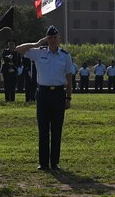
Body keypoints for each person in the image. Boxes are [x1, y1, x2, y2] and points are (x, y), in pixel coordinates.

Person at [16, 25, 75, 170]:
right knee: (43, 130)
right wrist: (37, 43)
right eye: (50, 38)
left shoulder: (65, 55)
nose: (52, 40)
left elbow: (69, 77)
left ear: (59, 38)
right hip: (43, 94)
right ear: (46, 39)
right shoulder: (39, 52)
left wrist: (68, 98)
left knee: (56, 130)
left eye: (55, 38)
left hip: (58, 95)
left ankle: (54, 162)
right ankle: (43, 163)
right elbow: (18, 49)